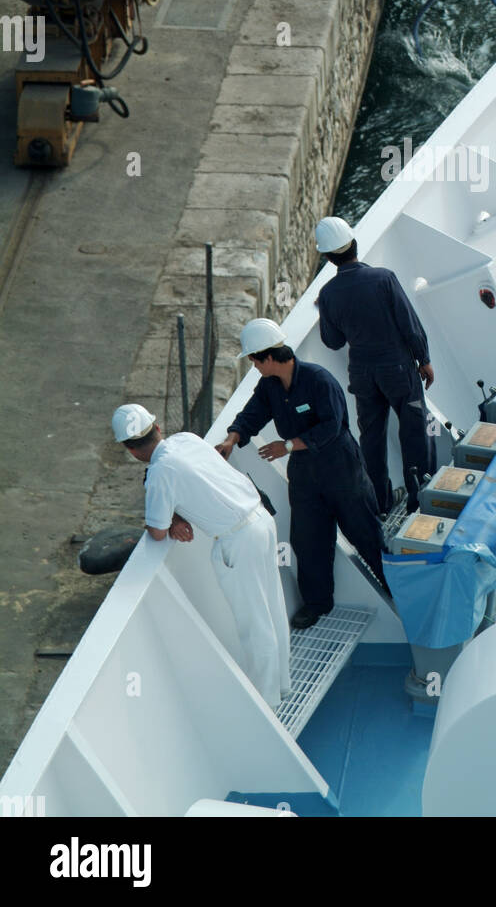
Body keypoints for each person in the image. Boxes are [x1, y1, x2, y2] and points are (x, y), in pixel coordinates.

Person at [112, 403, 291, 709]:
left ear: (130, 450)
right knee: (273, 607)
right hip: (261, 520)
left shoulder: (158, 474)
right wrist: (177, 514)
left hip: (238, 540)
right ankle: (283, 685)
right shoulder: (187, 439)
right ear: (157, 429)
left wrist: (172, 521)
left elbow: (156, 531)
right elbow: (198, 479)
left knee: (253, 624)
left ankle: (267, 703)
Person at [216, 319, 387, 631]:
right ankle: (317, 603)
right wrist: (232, 438)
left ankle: (394, 587)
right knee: (307, 540)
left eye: (254, 360)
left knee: (365, 532)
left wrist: (288, 445)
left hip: (340, 467)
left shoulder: (319, 380)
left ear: (268, 358)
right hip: (305, 473)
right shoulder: (269, 386)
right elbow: (252, 413)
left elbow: (332, 426)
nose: (253, 366)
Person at [314, 217, 436, 516]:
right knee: (413, 431)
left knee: (371, 438)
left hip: (362, 375)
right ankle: (418, 498)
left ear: (328, 258)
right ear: (354, 244)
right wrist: (425, 359)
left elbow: (333, 342)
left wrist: (326, 311)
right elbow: (409, 324)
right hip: (398, 370)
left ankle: (380, 503)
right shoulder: (383, 278)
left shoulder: (328, 295)